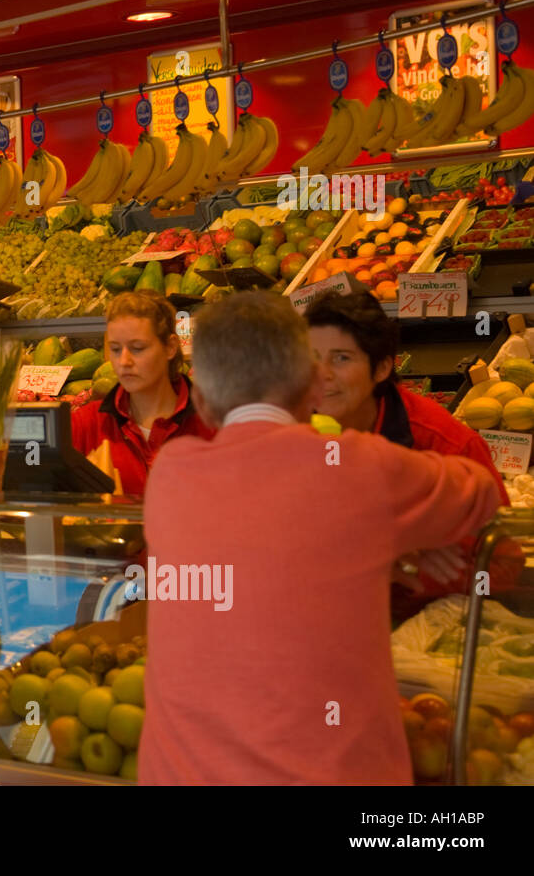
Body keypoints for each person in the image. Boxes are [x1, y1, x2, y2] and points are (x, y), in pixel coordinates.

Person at [140, 292, 502, 785]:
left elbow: (265, 549)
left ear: (199, 400)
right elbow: (480, 492)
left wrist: (373, 543)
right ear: (314, 383)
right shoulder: (357, 466)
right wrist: (396, 533)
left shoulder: (169, 475)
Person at [305, 288, 521, 599]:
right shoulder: (291, 431)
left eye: (341, 358)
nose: (321, 374)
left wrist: (410, 570)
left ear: (381, 367)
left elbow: (501, 569)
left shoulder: (447, 445)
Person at [70, 290, 214, 496]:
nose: (124, 361)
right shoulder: (86, 424)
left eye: (137, 348)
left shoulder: (212, 425)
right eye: (115, 349)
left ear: (171, 347)